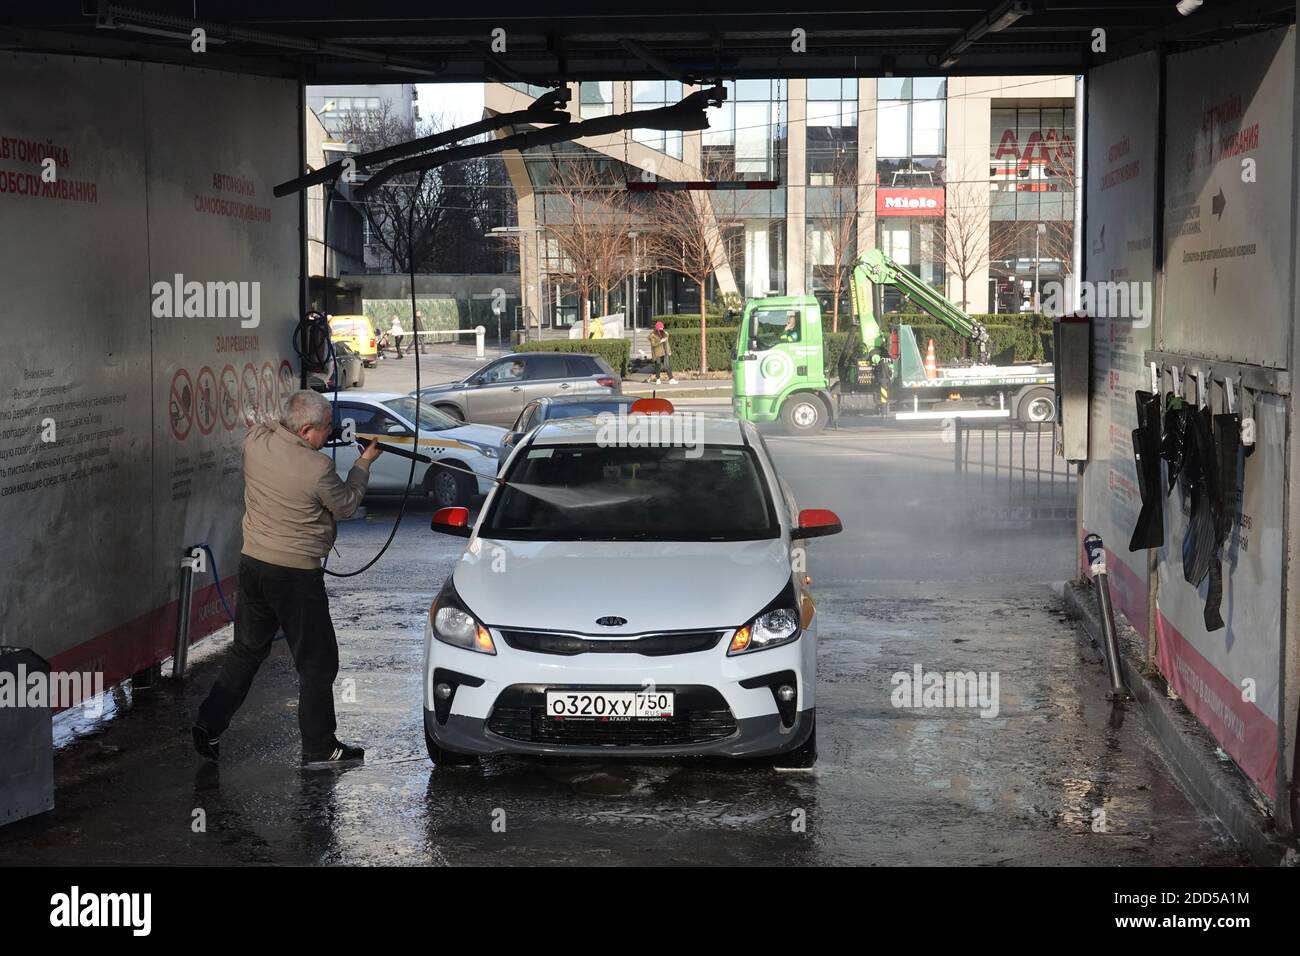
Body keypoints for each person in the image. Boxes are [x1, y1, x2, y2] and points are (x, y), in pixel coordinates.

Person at [193, 390, 383, 769]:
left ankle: (207, 725)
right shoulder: (316, 469)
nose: (329, 435)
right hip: (296, 575)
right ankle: (319, 747)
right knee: (317, 663)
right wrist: (363, 463)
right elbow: (345, 505)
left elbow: (268, 423)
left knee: (246, 650)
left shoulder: (255, 442)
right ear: (307, 428)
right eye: (325, 429)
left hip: (254, 565)